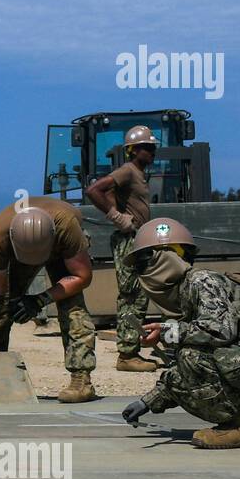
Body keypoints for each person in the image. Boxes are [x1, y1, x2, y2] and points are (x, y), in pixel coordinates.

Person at [120, 218, 240, 448]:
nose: (142, 271)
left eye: (143, 262)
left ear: (166, 257)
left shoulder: (201, 280)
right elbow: (187, 373)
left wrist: (166, 331)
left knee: (190, 355)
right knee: (188, 360)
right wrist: (146, 402)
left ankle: (238, 429)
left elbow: (220, 330)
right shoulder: (185, 292)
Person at [0, 196, 98, 402]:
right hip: (18, 253)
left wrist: (40, 299)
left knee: (71, 304)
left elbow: (83, 277)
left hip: (61, 250)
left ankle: (81, 379)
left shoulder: (67, 228)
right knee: (3, 304)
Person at [85, 125, 160, 372]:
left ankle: (130, 352)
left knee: (138, 295)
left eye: (153, 147)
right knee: (131, 295)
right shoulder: (127, 171)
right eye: (148, 148)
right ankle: (127, 355)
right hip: (129, 241)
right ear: (134, 150)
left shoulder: (138, 173)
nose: (153, 152)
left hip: (139, 240)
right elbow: (94, 190)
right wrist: (117, 217)